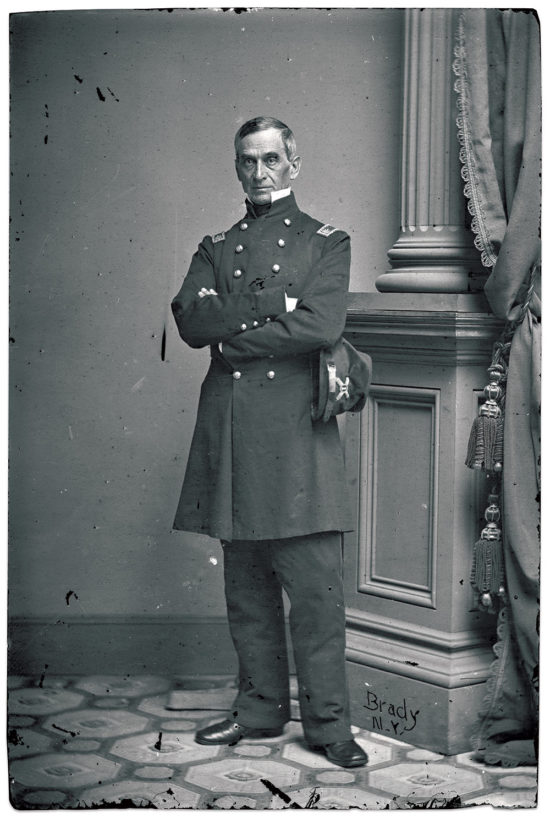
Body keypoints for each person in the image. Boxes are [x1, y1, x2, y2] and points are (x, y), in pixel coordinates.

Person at [171, 116, 368, 768]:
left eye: (271, 159)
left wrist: (240, 337)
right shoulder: (216, 245)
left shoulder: (326, 242)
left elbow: (323, 325)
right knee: (247, 591)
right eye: (247, 162)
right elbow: (192, 320)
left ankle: (330, 728)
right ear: (237, 168)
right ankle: (257, 712)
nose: (259, 172)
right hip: (234, 439)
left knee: (316, 597)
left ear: (294, 164)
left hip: (298, 441)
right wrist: (278, 304)